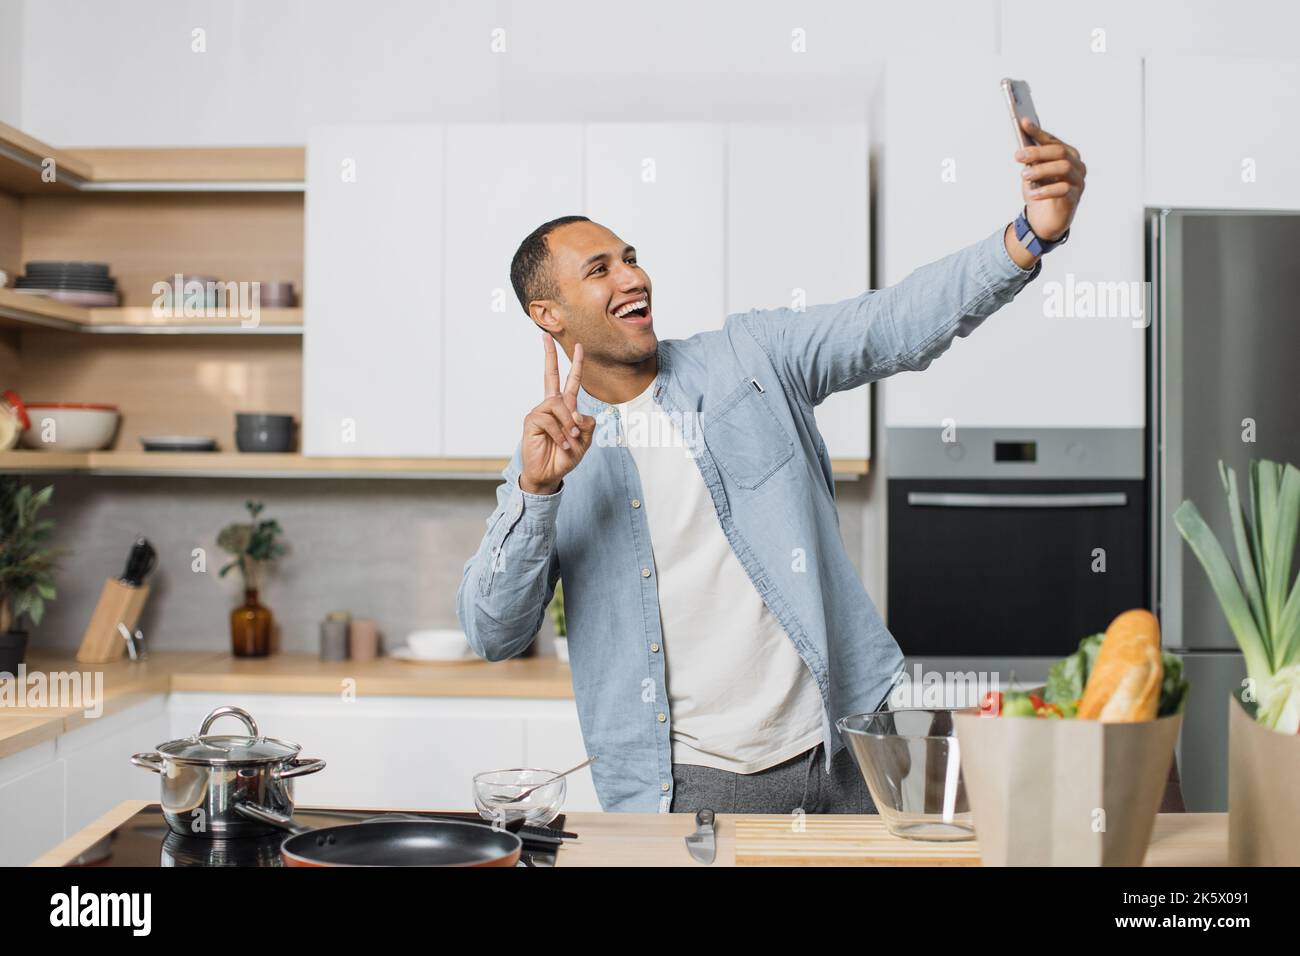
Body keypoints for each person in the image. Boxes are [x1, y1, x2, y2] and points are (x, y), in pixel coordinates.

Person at [457, 118, 1085, 813]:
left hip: (850, 746)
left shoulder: (753, 357)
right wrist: (537, 491)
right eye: (599, 269)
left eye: (629, 257)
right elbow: (493, 633)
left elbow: (894, 323)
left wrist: (1028, 236)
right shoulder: (544, 458)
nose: (633, 276)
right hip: (696, 786)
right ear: (549, 314)